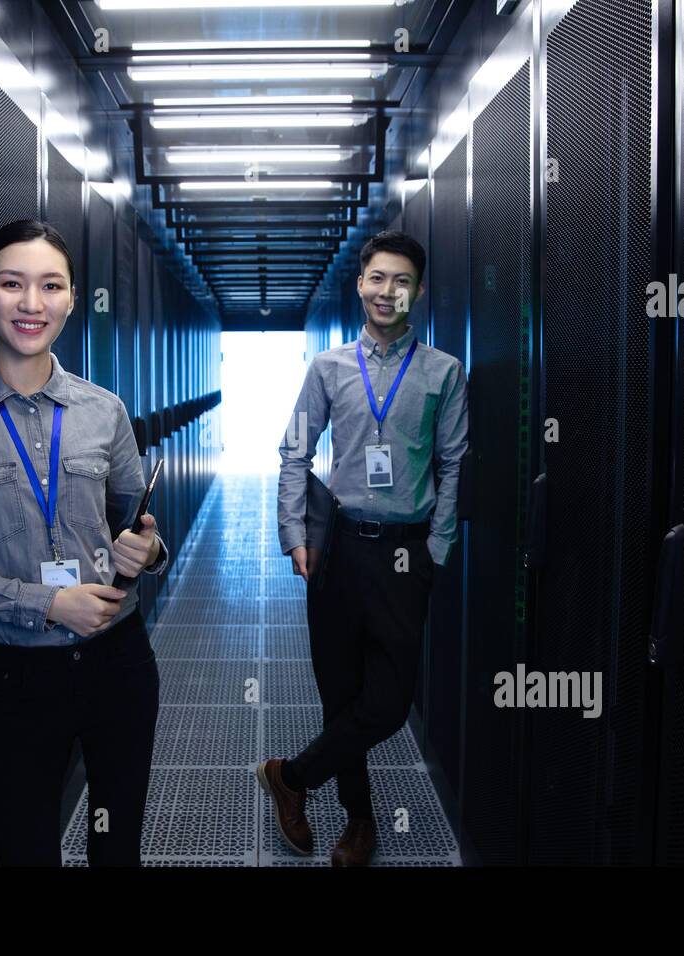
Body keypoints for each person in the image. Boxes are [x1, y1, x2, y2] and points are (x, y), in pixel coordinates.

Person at [0, 219, 169, 866]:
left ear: (73, 297)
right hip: (17, 672)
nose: (32, 304)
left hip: (118, 661)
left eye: (50, 286)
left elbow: (136, 525)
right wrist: (49, 605)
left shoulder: (103, 411)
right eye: (11, 284)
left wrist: (147, 552)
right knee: (24, 849)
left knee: (117, 849)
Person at [263, 229, 470, 866]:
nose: (388, 291)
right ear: (360, 284)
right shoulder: (327, 368)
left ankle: (290, 777)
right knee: (340, 698)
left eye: (401, 281)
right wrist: (293, 535)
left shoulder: (443, 372)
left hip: (407, 555)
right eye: (377, 278)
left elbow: (455, 462)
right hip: (341, 551)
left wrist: (439, 547)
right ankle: (360, 823)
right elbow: (294, 451)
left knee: (387, 701)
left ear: (418, 291)